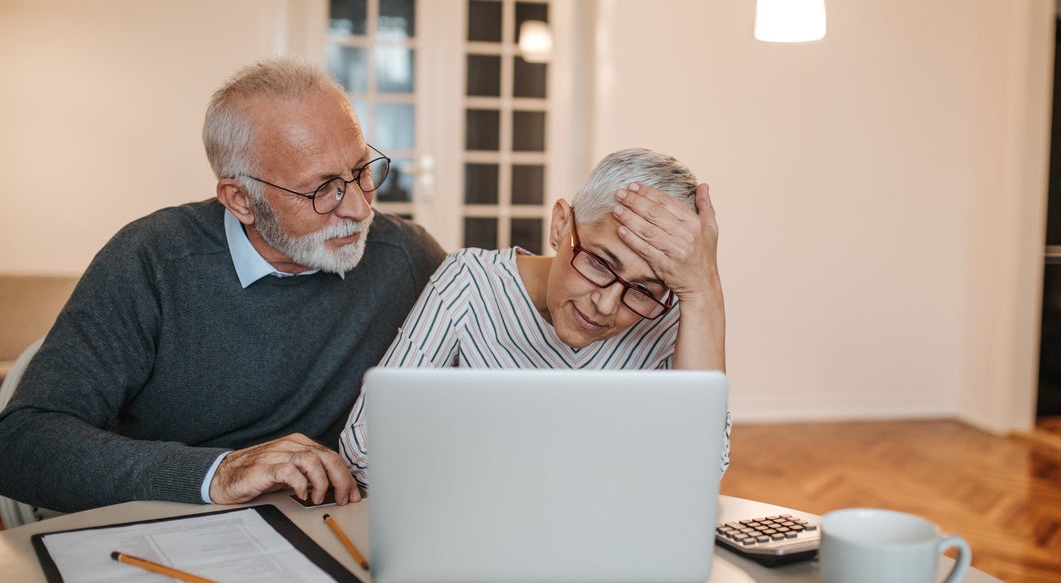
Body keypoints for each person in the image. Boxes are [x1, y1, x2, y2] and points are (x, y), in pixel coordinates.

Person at [0, 57, 445, 513]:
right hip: (173, 529)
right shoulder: (153, 261)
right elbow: (22, 442)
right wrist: (219, 473)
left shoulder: (404, 254)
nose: (358, 207)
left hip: (331, 529)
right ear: (241, 200)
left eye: (361, 171)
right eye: (322, 189)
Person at [340, 148, 729, 486]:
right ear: (561, 225)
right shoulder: (470, 282)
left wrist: (703, 291)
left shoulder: (668, 316)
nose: (607, 306)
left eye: (644, 289)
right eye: (598, 262)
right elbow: (363, 445)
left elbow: (699, 472)